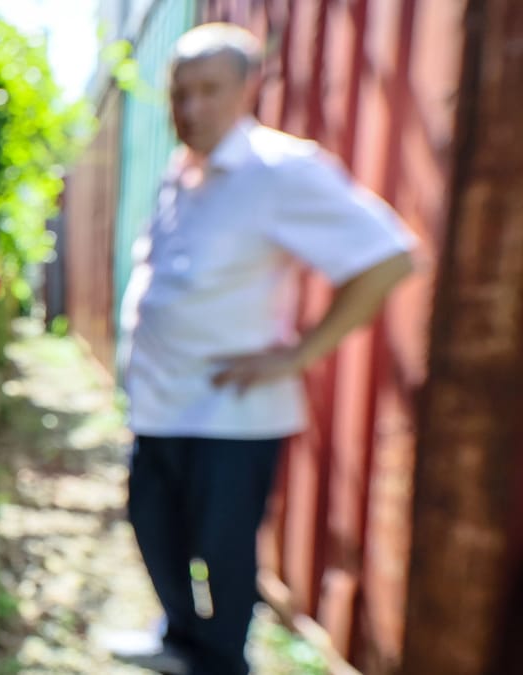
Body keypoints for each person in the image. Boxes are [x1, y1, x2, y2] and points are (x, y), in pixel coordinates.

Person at [100, 22, 416, 675]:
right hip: (159, 405)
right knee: (155, 530)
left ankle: (222, 661)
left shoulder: (280, 170)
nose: (191, 108)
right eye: (180, 92)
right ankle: (179, 639)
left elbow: (387, 256)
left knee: (222, 551)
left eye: (209, 90)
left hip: (229, 415)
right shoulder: (181, 172)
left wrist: (298, 355)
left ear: (250, 88)